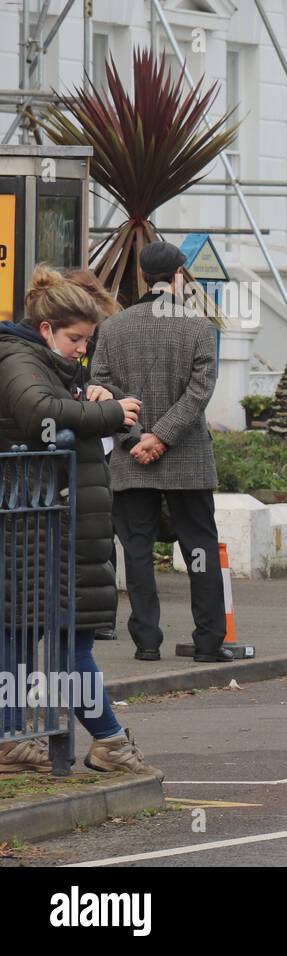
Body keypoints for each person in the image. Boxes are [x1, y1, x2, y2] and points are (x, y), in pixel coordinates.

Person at [0, 265, 158, 774]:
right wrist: (111, 412)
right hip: (35, 524)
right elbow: (39, 414)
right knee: (51, 638)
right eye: (75, 338)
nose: (81, 350)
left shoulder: (44, 360)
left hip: (55, 522)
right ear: (46, 329)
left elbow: (54, 409)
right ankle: (102, 740)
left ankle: (19, 736)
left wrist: (86, 394)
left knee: (35, 636)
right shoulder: (15, 356)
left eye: (86, 340)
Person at [90, 241, 232, 663]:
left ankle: (147, 643)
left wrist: (137, 439)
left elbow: (100, 387)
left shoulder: (114, 327)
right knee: (199, 547)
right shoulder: (197, 326)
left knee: (136, 548)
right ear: (178, 276)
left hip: (131, 460)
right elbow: (199, 392)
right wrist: (165, 436)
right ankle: (208, 642)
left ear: (142, 276)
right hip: (187, 458)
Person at [67, 270, 123, 642]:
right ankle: (100, 617)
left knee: (92, 528)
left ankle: (96, 616)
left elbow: (108, 379)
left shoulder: (96, 332)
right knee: (100, 528)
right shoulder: (109, 325)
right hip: (99, 438)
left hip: (92, 432)